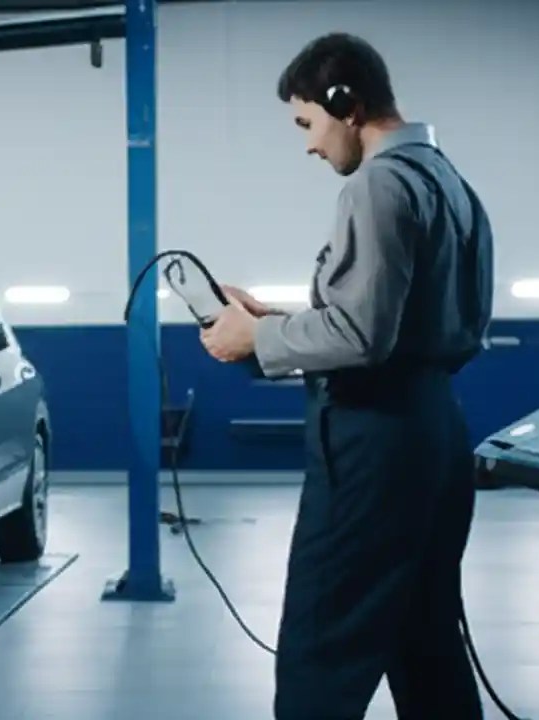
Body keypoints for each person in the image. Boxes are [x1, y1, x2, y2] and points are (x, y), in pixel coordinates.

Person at [198, 33, 494, 719]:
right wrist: (279, 320)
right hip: (437, 436)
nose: (307, 144)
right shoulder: (450, 182)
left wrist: (259, 336)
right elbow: (397, 319)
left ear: (345, 103)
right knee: (426, 644)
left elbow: (363, 334)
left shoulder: (377, 186)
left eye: (308, 123)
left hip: (372, 445)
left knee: (320, 652)